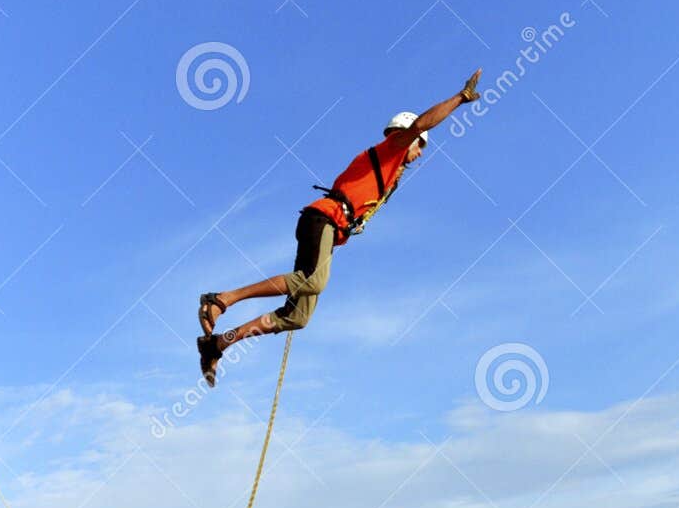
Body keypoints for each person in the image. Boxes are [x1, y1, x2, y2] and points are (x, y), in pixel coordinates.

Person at [196, 68, 482, 385]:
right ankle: (223, 299)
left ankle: (218, 343)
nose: (419, 152)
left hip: (329, 231)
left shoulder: (391, 175)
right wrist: (460, 98)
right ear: (403, 137)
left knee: (298, 316)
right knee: (313, 281)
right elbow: (421, 125)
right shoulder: (391, 148)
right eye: (420, 146)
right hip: (323, 218)